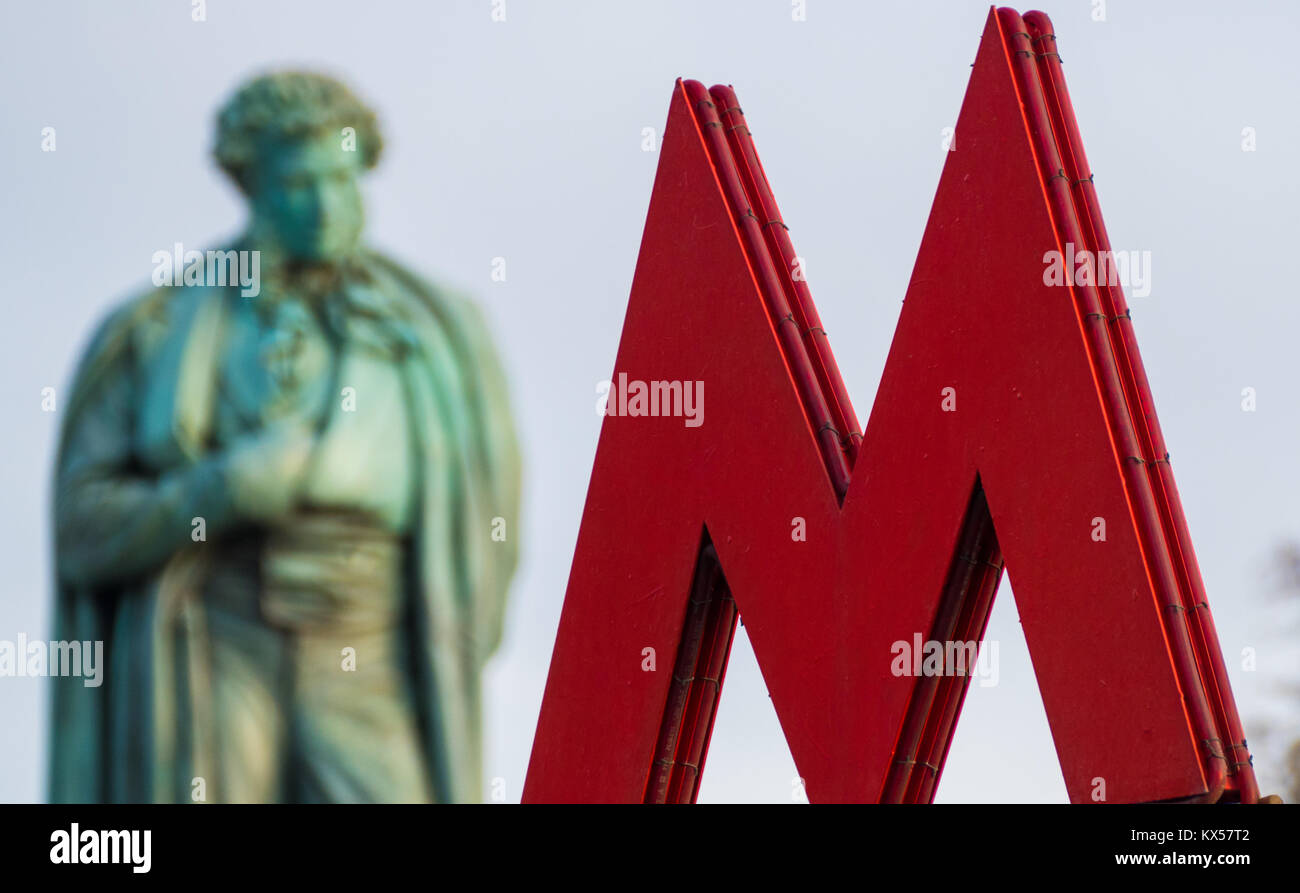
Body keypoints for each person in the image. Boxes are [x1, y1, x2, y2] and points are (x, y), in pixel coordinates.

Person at [49, 71, 521, 803]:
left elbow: (491, 530)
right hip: (219, 648)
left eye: (342, 178)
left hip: (374, 656)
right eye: (300, 184)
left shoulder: (441, 333)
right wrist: (217, 490)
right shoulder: (156, 331)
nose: (327, 206)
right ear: (252, 186)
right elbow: (82, 526)